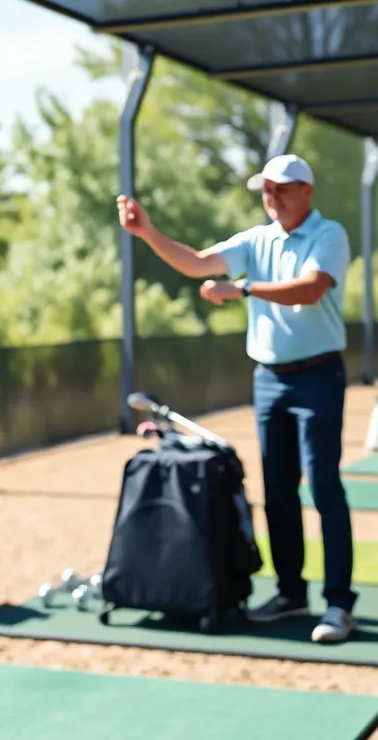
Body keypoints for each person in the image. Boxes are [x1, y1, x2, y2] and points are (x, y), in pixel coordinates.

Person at [116, 153, 358, 644]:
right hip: (270, 379)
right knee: (279, 491)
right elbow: (198, 264)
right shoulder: (257, 238)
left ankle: (338, 604)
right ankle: (291, 593)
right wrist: (148, 233)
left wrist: (242, 289)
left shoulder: (329, 234)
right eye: (266, 189)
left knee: (325, 487)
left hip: (319, 377)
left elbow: (310, 291)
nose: (272, 197)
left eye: (282, 188)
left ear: (306, 191)